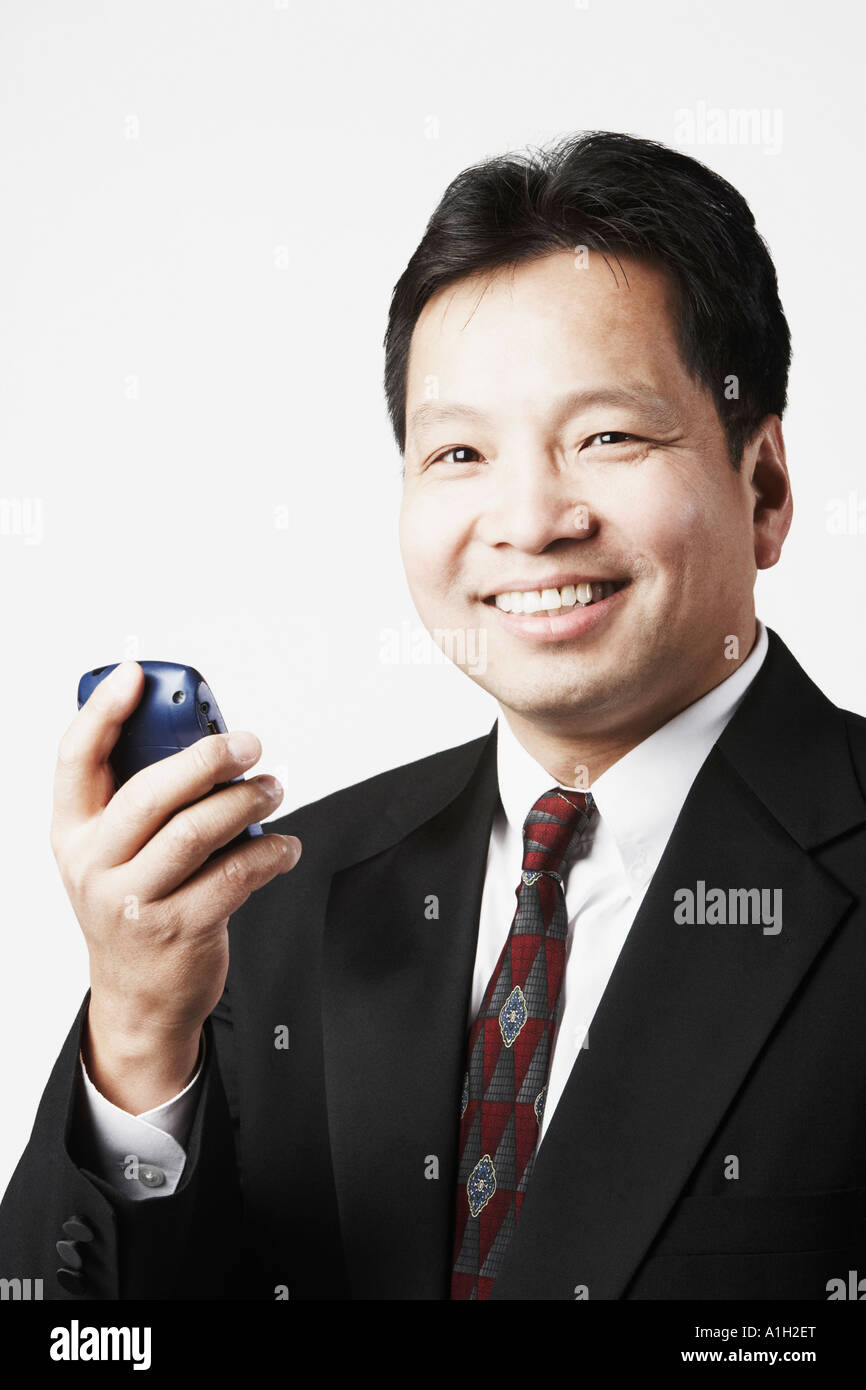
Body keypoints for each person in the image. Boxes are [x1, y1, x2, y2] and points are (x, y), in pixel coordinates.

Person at [2, 130, 865, 1301]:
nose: (527, 518)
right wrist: (142, 1032)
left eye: (604, 436)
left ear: (760, 486)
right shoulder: (277, 903)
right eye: (457, 451)